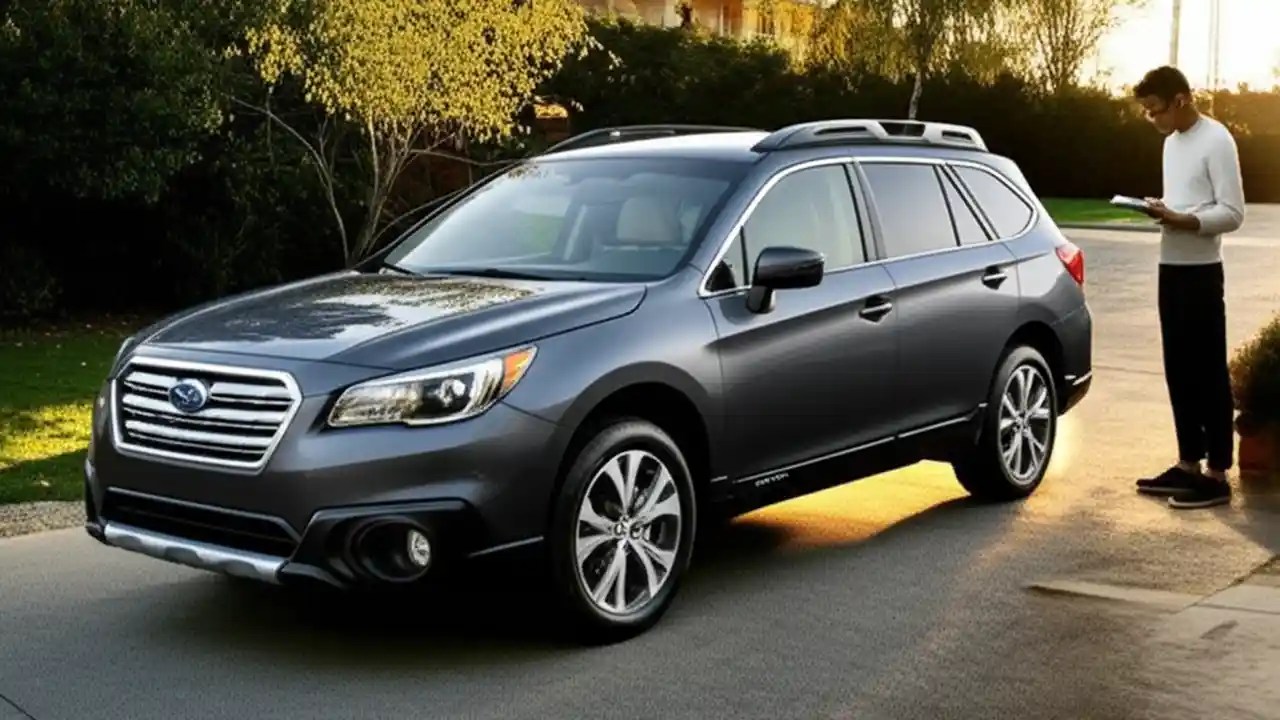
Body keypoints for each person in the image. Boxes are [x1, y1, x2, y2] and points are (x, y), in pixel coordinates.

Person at [1131, 66, 1245, 509]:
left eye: (1154, 109)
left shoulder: (1217, 140)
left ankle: (1217, 475)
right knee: (1177, 366)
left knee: (1208, 370)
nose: (1151, 118)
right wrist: (1163, 211)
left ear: (1179, 100)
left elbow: (1233, 212)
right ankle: (1187, 464)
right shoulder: (1170, 144)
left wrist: (1186, 220)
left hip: (1201, 271)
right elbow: (1182, 200)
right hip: (1170, 266)